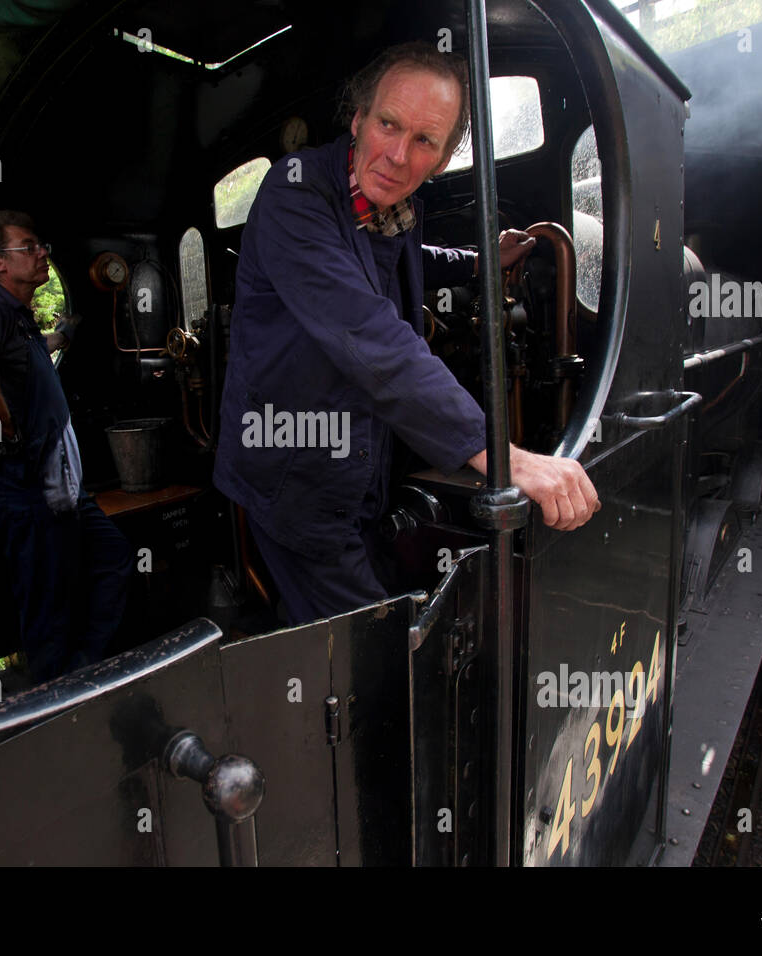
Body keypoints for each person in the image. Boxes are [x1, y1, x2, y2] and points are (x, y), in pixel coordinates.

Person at [214, 42, 601, 624]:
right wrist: (506, 458)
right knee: (366, 654)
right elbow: (370, 336)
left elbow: (405, 252)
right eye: (388, 124)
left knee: (381, 616)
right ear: (358, 119)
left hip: (363, 464)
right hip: (295, 477)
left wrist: (478, 261)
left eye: (424, 140)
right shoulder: (295, 195)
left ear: (443, 160)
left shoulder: (387, 204)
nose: (397, 155)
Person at [0, 210, 132, 682]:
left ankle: (82, 670)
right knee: (48, 603)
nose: (42, 253)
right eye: (28, 247)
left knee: (111, 558)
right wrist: (4, 419)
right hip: (25, 484)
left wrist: (61, 335)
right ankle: (52, 704)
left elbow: (24, 354)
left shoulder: (18, 318)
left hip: (57, 482)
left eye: (41, 245)